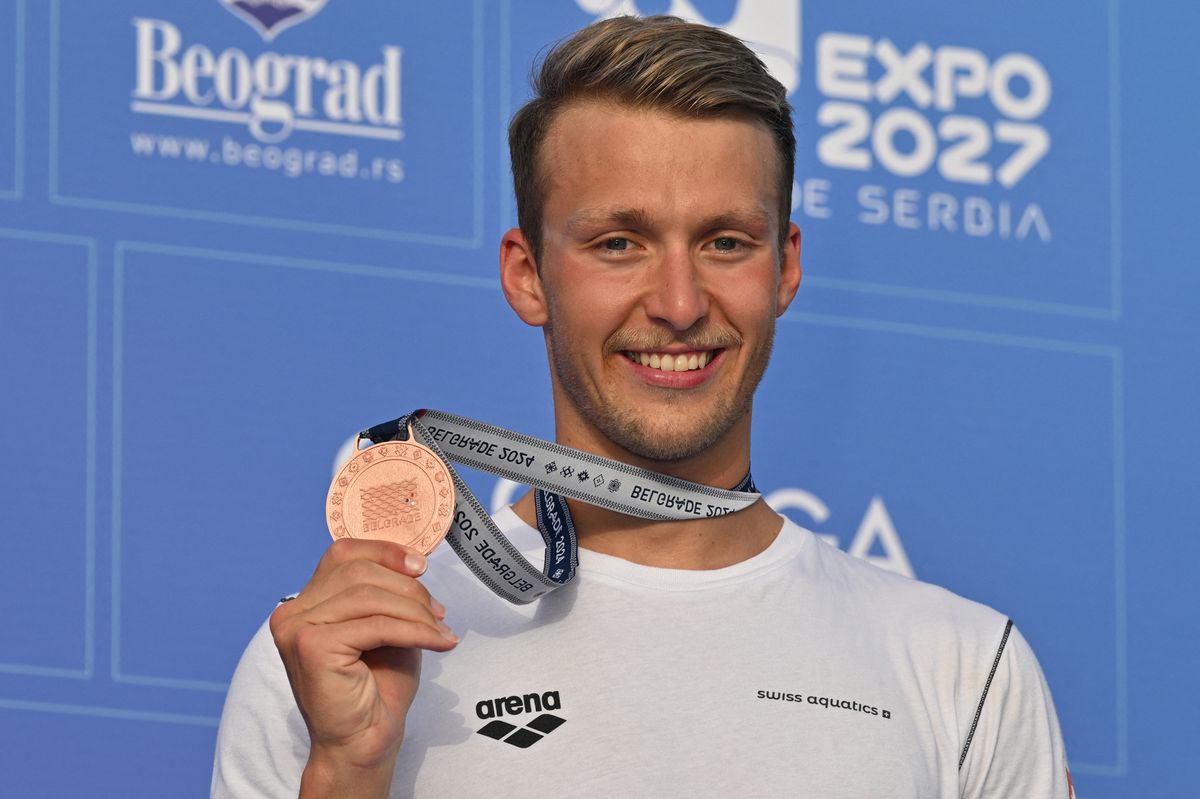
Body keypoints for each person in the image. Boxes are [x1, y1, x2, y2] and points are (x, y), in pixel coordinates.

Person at [212, 15, 1072, 798]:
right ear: (527, 274)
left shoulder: (961, 666)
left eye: (724, 242)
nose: (679, 301)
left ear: (784, 269)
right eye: (618, 243)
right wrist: (348, 770)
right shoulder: (342, 653)